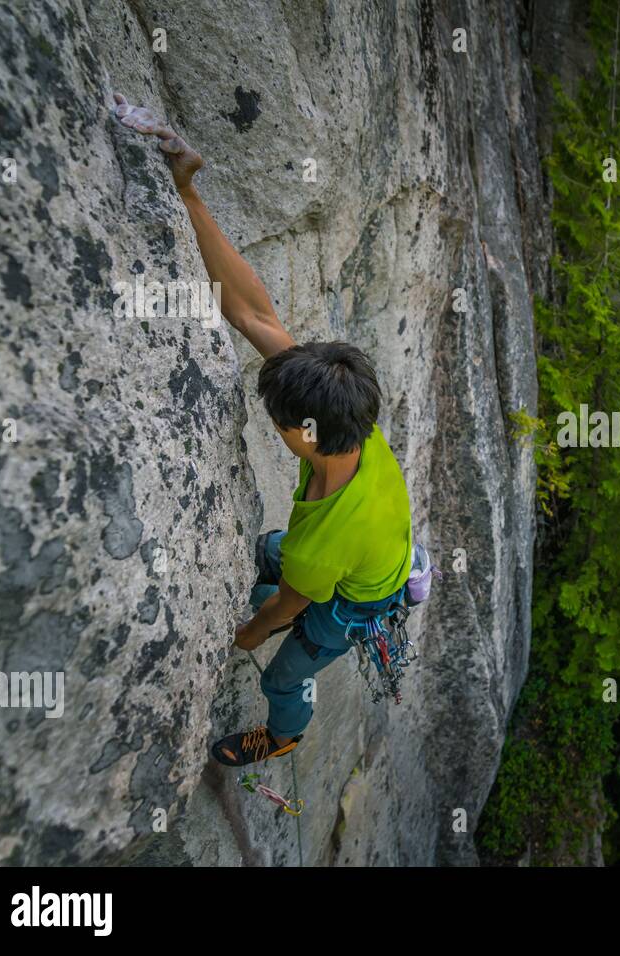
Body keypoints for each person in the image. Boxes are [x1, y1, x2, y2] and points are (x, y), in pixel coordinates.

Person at [111, 94, 413, 766]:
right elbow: (253, 312)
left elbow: (284, 610)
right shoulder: (345, 412)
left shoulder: (324, 542)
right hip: (358, 556)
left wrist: (248, 634)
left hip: (347, 602)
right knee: (267, 552)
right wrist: (188, 192)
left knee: (284, 667)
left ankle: (281, 735)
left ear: (301, 433)